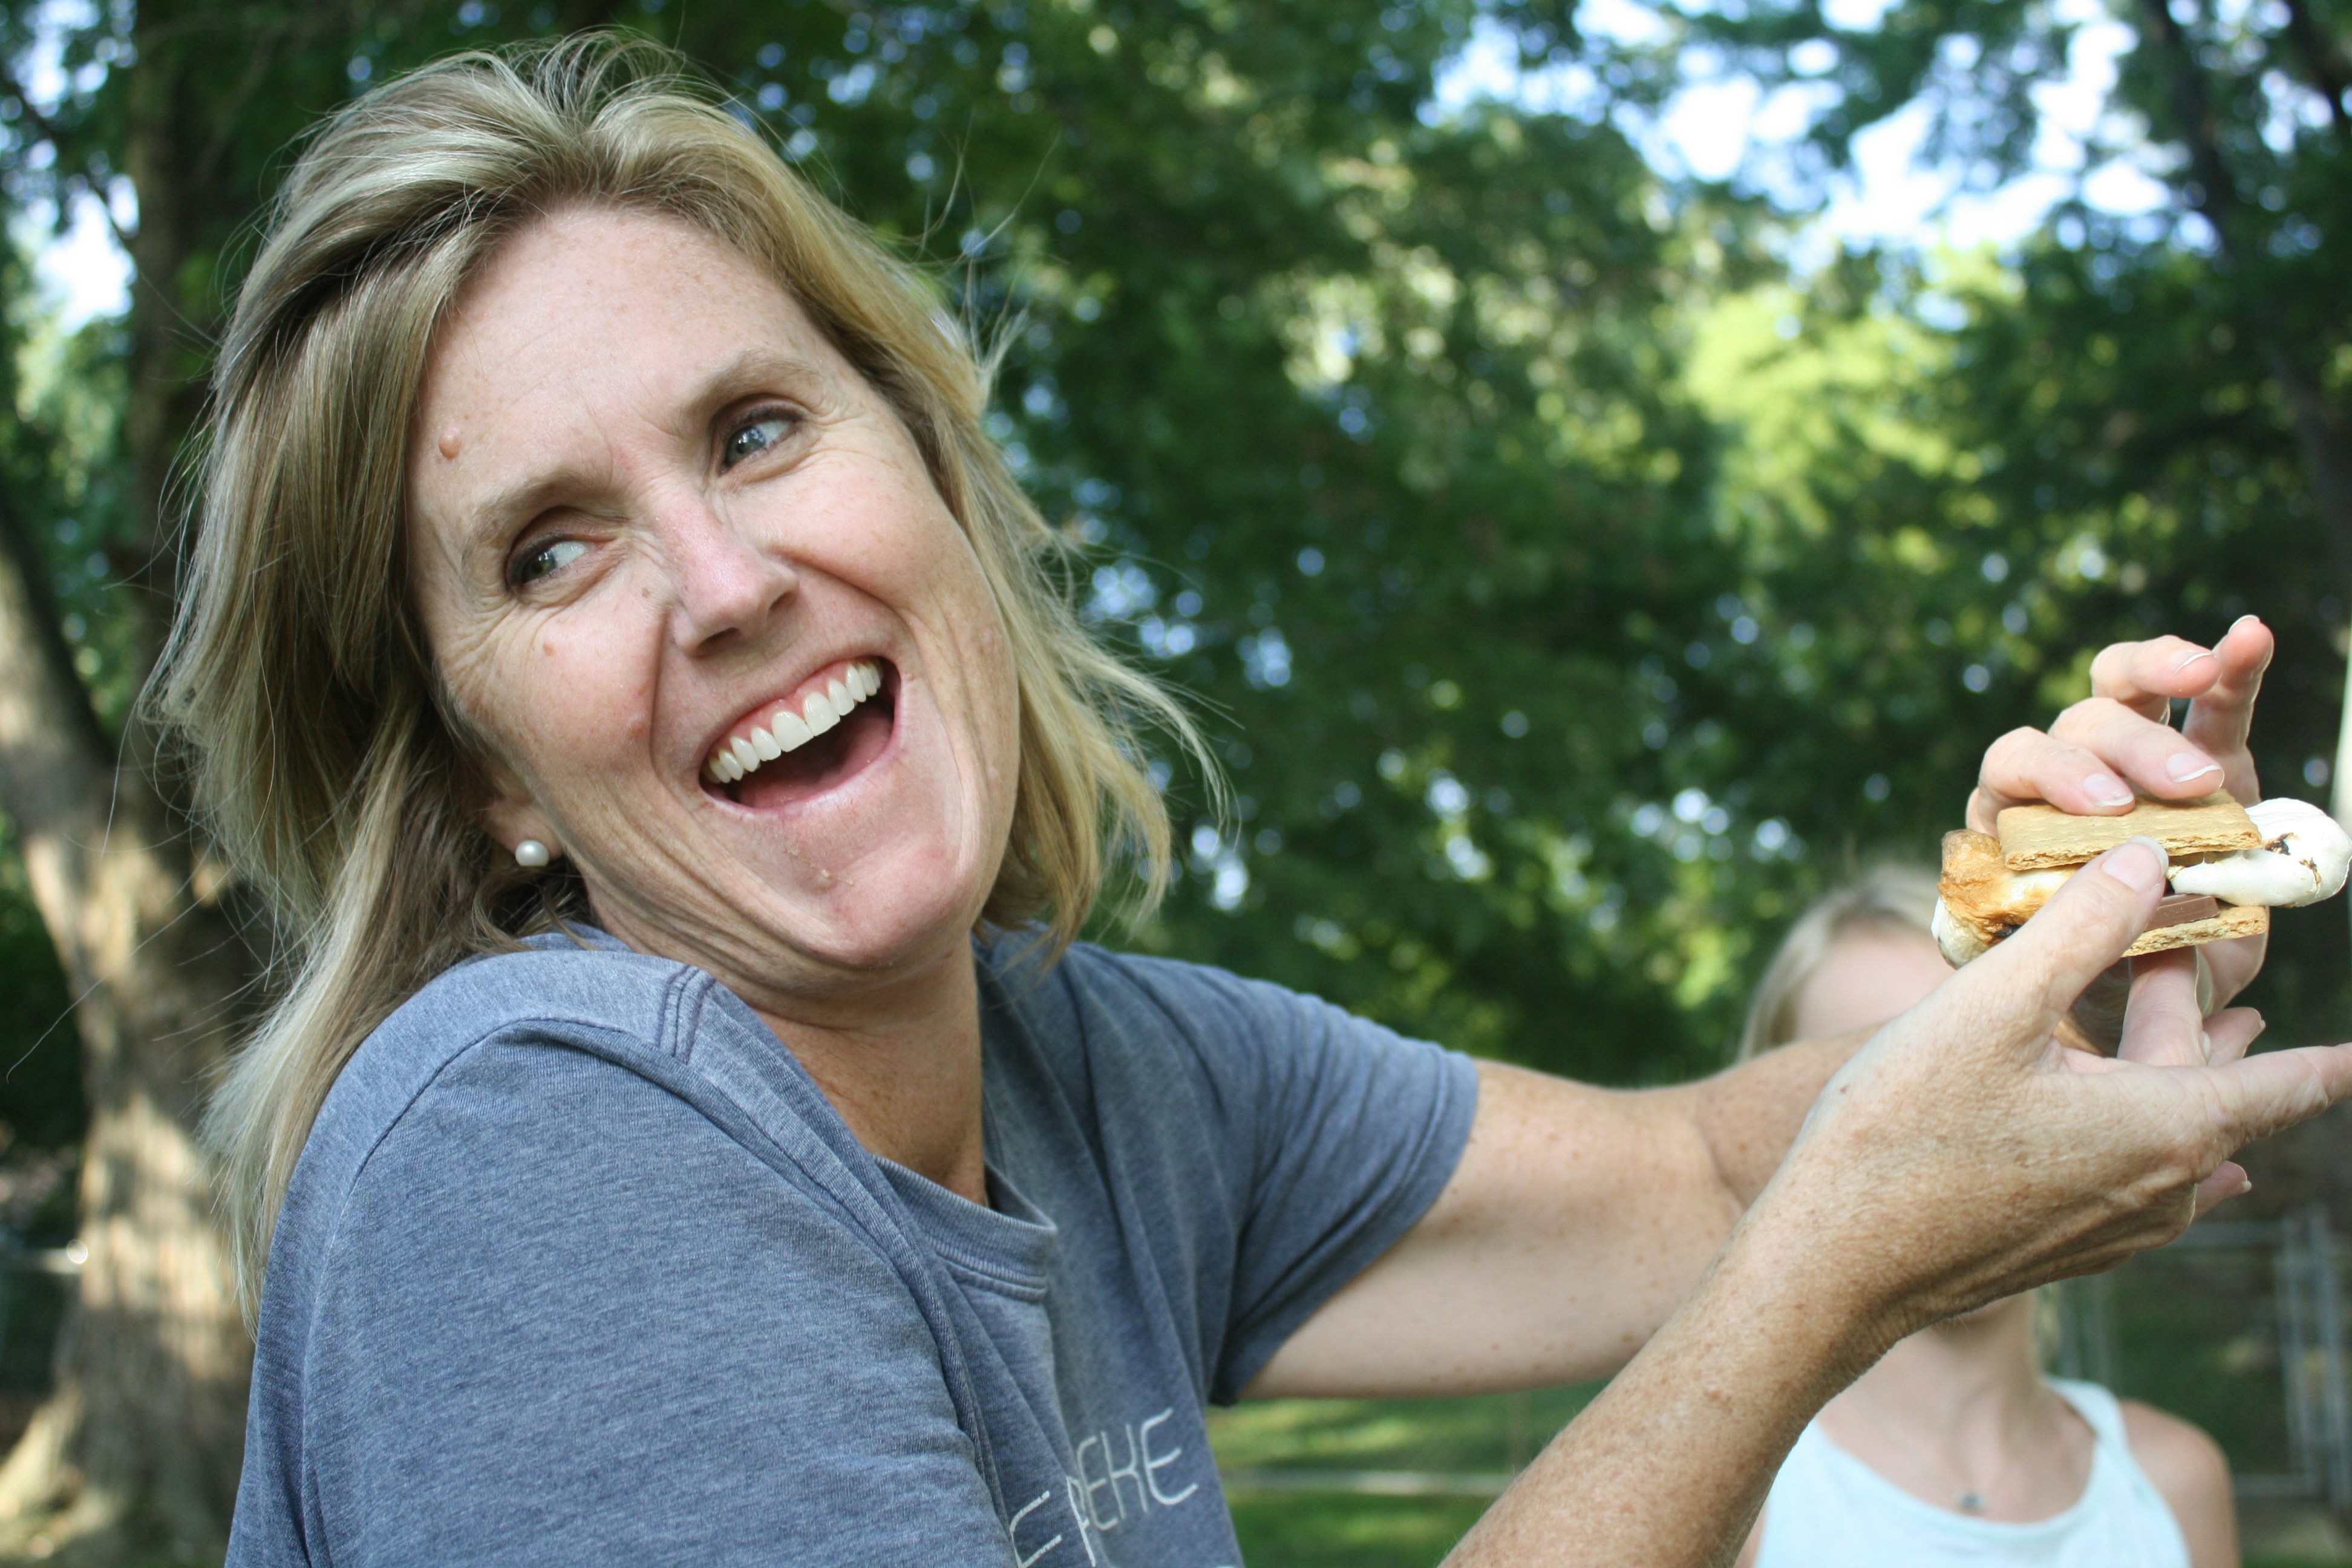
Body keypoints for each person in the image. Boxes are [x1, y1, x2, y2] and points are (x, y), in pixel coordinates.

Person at [166, 36, 2348, 1567]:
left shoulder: (1096, 1069)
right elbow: (1773, 1238)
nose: (724, 584)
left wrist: (2078, 946)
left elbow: (1690, 1168)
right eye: (553, 551)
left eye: (753, 430)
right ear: (483, 770)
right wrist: (1811, 1299)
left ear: (929, 468)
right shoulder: (535, 1147)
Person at [1732, 869, 2238, 1568]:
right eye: (1867, 1079)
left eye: (1999, 1053)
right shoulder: (1735, 1511)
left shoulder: (2174, 1483)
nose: (1951, 1124)